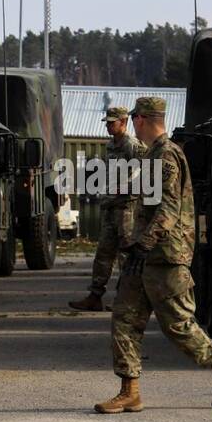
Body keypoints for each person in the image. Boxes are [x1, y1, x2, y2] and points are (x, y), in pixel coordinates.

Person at [97, 96, 212, 412]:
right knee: (124, 318)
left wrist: (144, 243)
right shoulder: (152, 155)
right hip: (144, 255)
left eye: (134, 117)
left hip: (165, 256)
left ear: (142, 119)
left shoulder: (166, 156)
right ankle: (129, 391)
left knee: (177, 325)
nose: (131, 122)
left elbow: (168, 210)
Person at [69, 105, 146, 311]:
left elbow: (144, 173)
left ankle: (126, 299)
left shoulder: (133, 145)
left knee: (126, 255)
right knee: (103, 253)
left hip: (127, 207)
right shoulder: (112, 145)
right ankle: (95, 296)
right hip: (111, 206)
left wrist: (127, 187)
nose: (109, 126)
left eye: (113, 123)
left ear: (124, 122)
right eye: (108, 123)